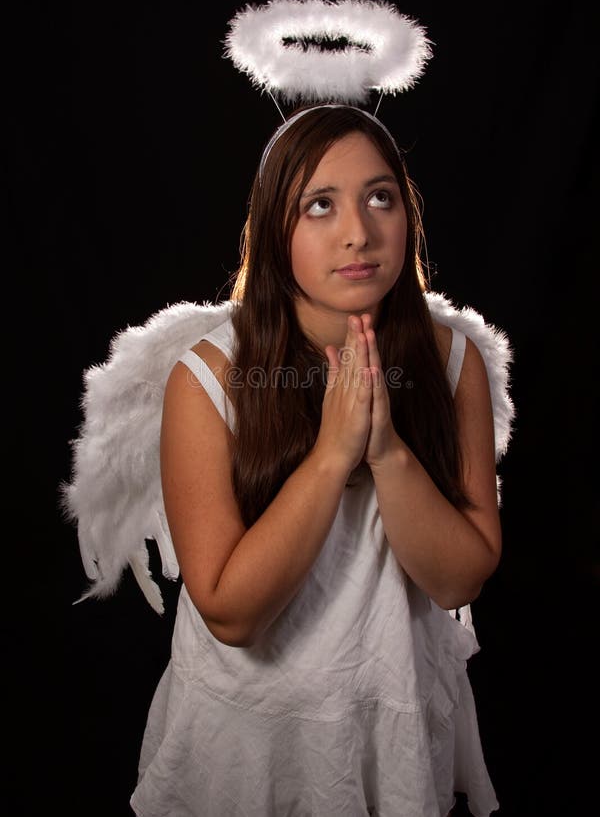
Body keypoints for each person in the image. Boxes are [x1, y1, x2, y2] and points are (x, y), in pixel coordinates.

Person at [123, 104, 510, 816]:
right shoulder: (207, 381)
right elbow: (232, 614)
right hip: (252, 735)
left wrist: (387, 452)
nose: (358, 232)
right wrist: (332, 454)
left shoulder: (456, 365)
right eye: (320, 206)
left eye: (380, 197)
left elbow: (460, 579)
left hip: (389, 718)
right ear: (276, 230)